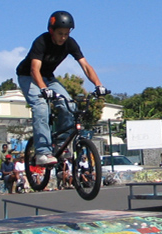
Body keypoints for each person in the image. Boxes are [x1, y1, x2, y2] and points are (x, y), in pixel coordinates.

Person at [16, 10, 107, 165]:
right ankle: (42, 152)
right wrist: (44, 89)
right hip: (29, 77)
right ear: (51, 30)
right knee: (41, 107)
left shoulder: (70, 43)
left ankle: (61, 145)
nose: (63, 38)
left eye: (66, 34)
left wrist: (99, 85)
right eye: (60, 34)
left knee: (69, 105)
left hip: (49, 78)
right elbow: (34, 70)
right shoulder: (41, 42)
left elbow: (85, 66)